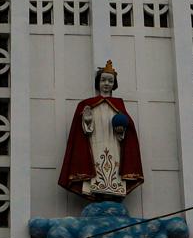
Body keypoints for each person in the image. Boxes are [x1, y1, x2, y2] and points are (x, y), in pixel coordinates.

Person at [58, 62, 143, 197]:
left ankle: (113, 191)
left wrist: (121, 131)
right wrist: (87, 122)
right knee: (96, 168)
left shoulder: (119, 105)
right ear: (98, 82)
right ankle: (96, 190)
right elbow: (82, 133)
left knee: (113, 168)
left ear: (114, 84)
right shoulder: (87, 104)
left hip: (113, 144)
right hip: (95, 142)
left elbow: (127, 133)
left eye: (110, 81)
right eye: (103, 80)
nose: (106, 84)